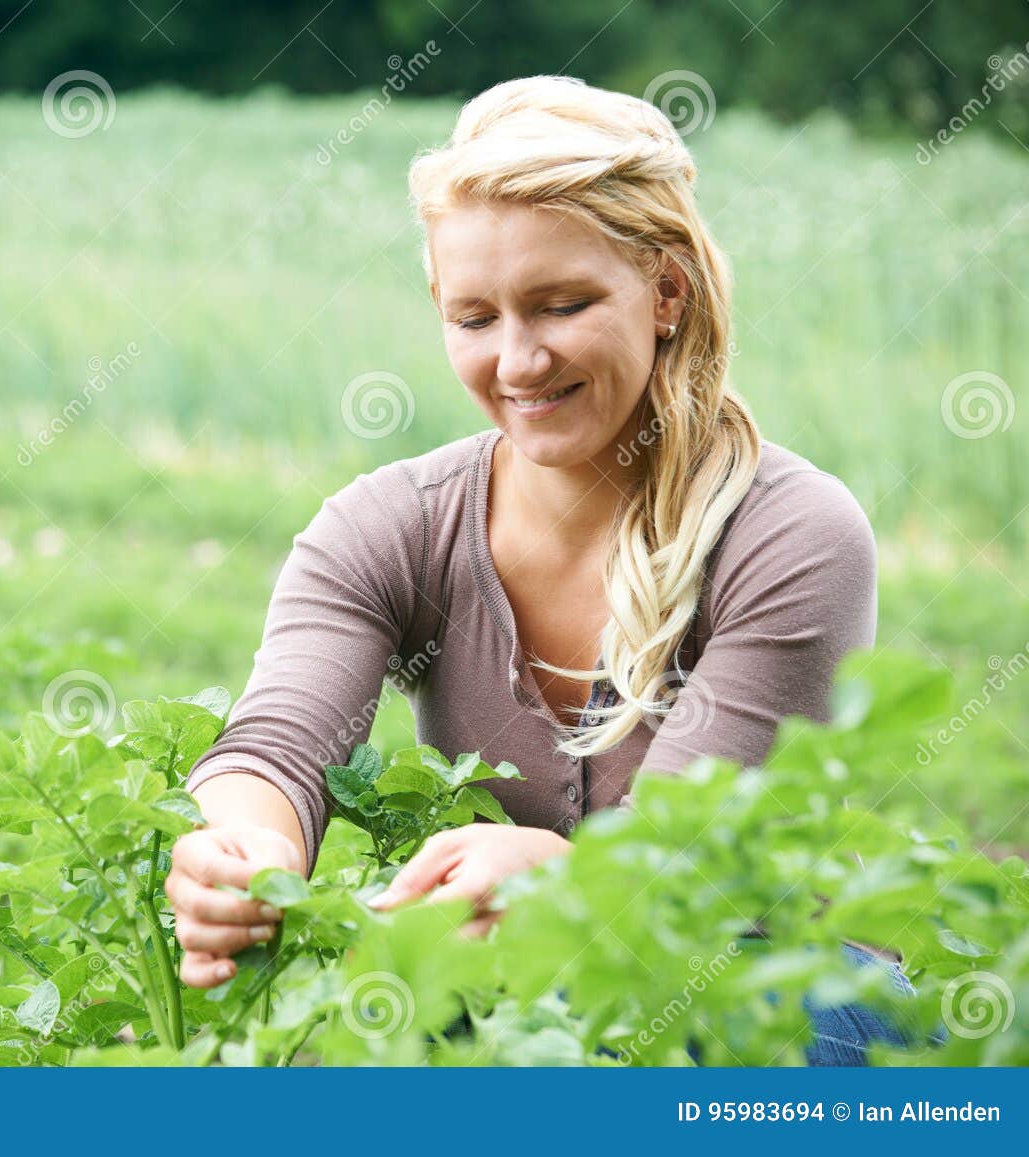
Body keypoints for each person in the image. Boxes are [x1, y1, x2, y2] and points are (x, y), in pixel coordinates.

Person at [165, 76, 902, 1063]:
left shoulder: (793, 534)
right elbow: (279, 742)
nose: (516, 362)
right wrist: (240, 851)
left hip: (757, 1009)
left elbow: (677, 861)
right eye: (474, 319)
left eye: (561, 304)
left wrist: (555, 874)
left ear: (665, 292)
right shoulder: (388, 526)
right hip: (504, 1005)